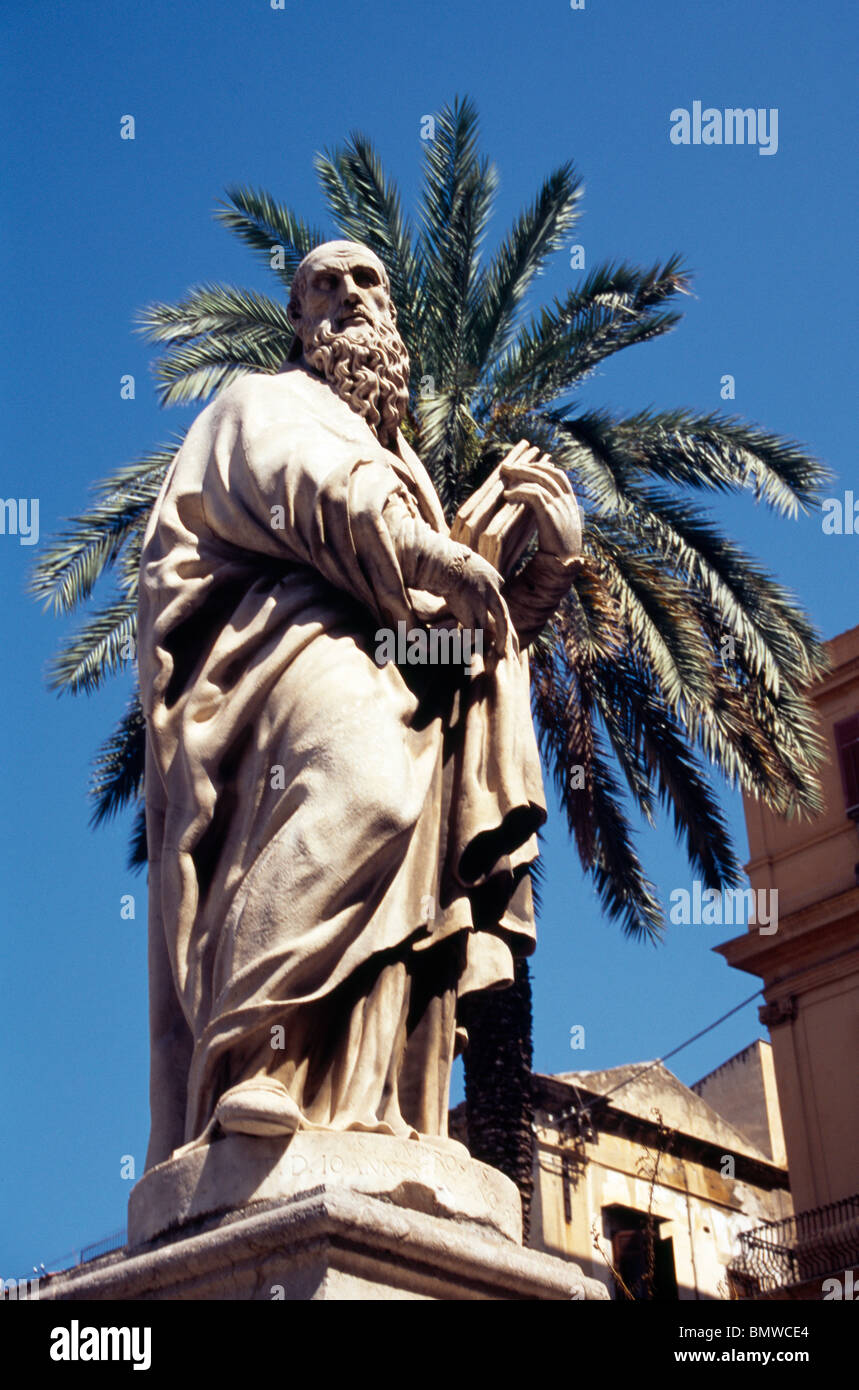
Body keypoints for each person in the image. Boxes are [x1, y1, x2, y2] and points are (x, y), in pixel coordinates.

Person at [137, 240, 582, 1170]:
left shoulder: (408, 465)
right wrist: (433, 555)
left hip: (400, 664)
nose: (345, 294)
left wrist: (548, 566)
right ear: (297, 317)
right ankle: (257, 1050)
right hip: (285, 656)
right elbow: (311, 488)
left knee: (417, 880)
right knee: (367, 785)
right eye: (321, 284)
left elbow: (464, 654)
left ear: (392, 310)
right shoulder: (264, 403)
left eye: (365, 279)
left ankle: (369, 1107)